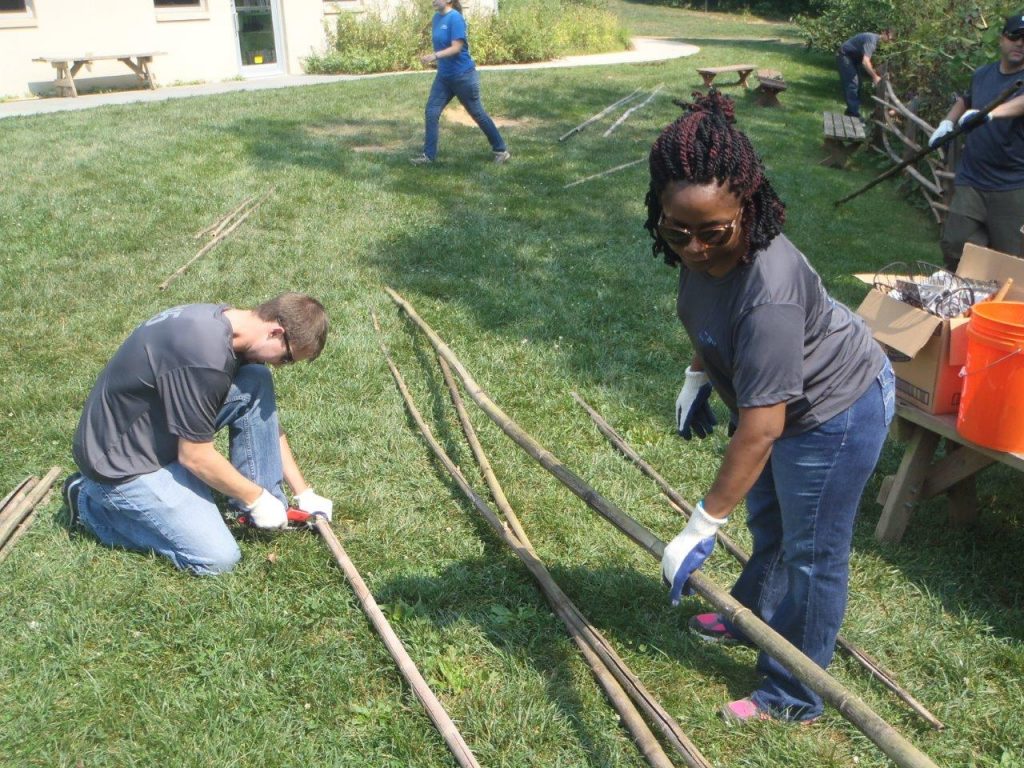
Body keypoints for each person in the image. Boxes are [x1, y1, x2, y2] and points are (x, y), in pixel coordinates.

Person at [645, 91, 895, 724]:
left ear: (746, 209)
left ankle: (794, 692)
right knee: (774, 525)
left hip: (833, 411)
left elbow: (762, 429)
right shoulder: (698, 241)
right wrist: (697, 375)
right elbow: (709, 316)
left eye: (711, 233)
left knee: (812, 552)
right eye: (678, 233)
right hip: (781, 400)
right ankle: (750, 618)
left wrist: (702, 524)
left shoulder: (769, 291)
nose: (696, 249)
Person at [62, 293, 333, 576]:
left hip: (153, 427)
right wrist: (256, 498)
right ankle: (89, 505)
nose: (281, 365)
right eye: (287, 358)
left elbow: (266, 418)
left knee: (255, 380)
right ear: (276, 332)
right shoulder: (205, 356)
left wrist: (304, 492)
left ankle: (257, 510)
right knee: (218, 559)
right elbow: (194, 456)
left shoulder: (231, 327)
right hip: (119, 463)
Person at [928, 11, 1024, 269]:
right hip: (973, 177)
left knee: (1010, 261)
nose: (1020, 43)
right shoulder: (983, 74)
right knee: (954, 246)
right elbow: (966, 99)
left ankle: (1002, 308)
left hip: (1013, 184)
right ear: (1002, 39)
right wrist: (947, 122)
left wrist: (990, 114)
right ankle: (958, 301)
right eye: (1015, 36)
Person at [410, 0, 510, 165]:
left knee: (477, 113)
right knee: (431, 112)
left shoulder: (455, 18)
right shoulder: (436, 18)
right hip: (444, 77)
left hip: (463, 76)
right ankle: (428, 156)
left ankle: (501, 150)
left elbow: (456, 47)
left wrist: (435, 56)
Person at [836, 29, 894, 118]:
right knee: (853, 83)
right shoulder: (871, 41)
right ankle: (854, 115)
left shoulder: (875, 42)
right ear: (883, 33)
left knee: (858, 83)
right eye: (889, 39)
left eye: (892, 40)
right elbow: (865, 62)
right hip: (845, 56)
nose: (890, 42)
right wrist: (875, 77)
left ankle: (850, 112)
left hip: (852, 59)